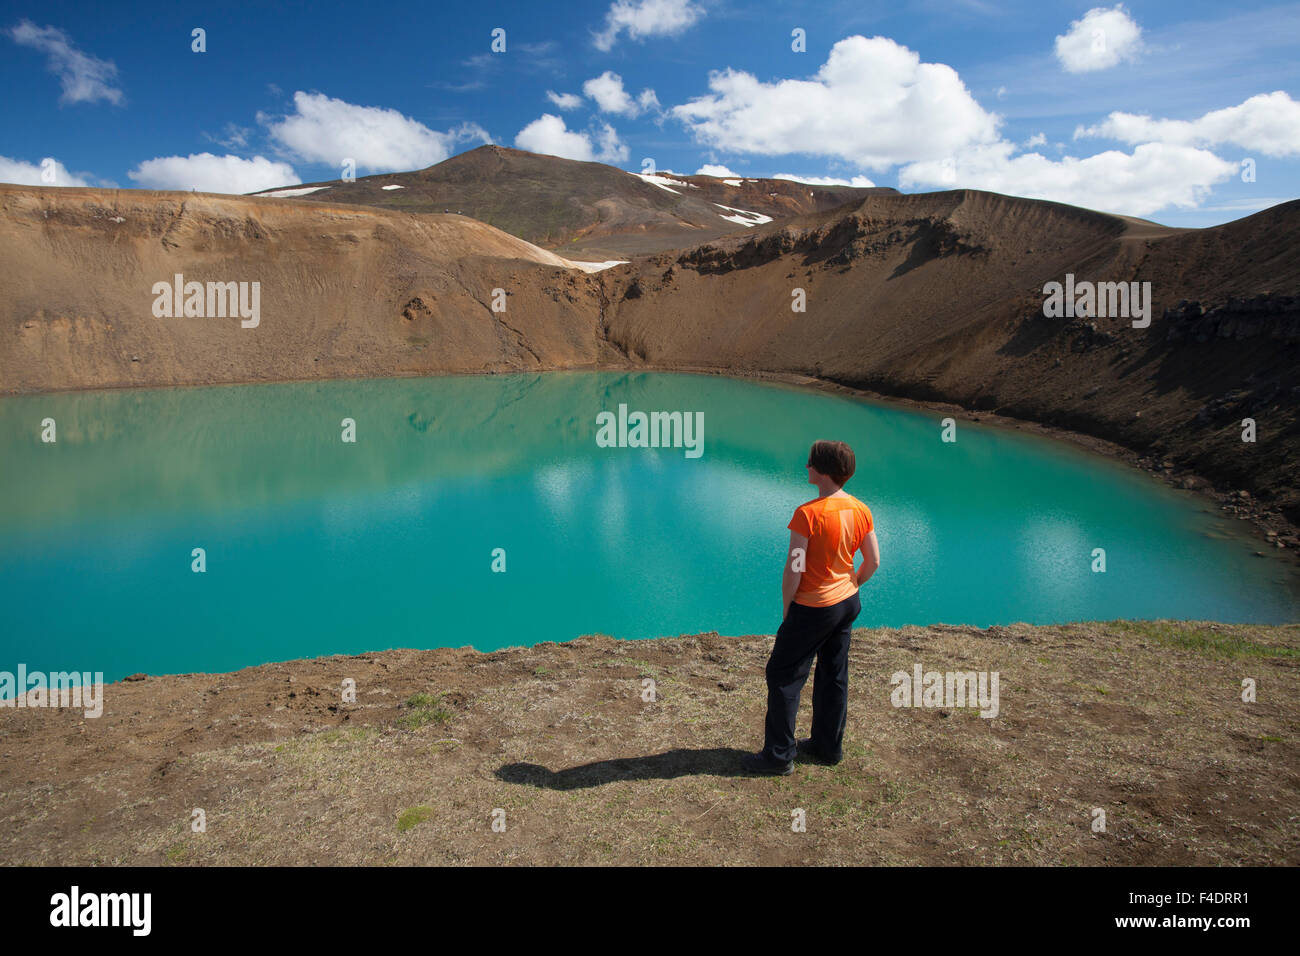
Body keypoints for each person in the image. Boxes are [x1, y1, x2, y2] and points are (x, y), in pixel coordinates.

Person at [742, 439, 880, 775]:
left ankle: (778, 757)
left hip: (814, 607)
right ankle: (827, 746)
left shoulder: (808, 515)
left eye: (810, 463)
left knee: (783, 674)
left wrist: (789, 608)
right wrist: (851, 585)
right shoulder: (860, 509)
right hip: (847, 602)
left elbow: (795, 567)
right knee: (834, 674)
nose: (806, 467)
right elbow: (873, 561)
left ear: (823, 471)